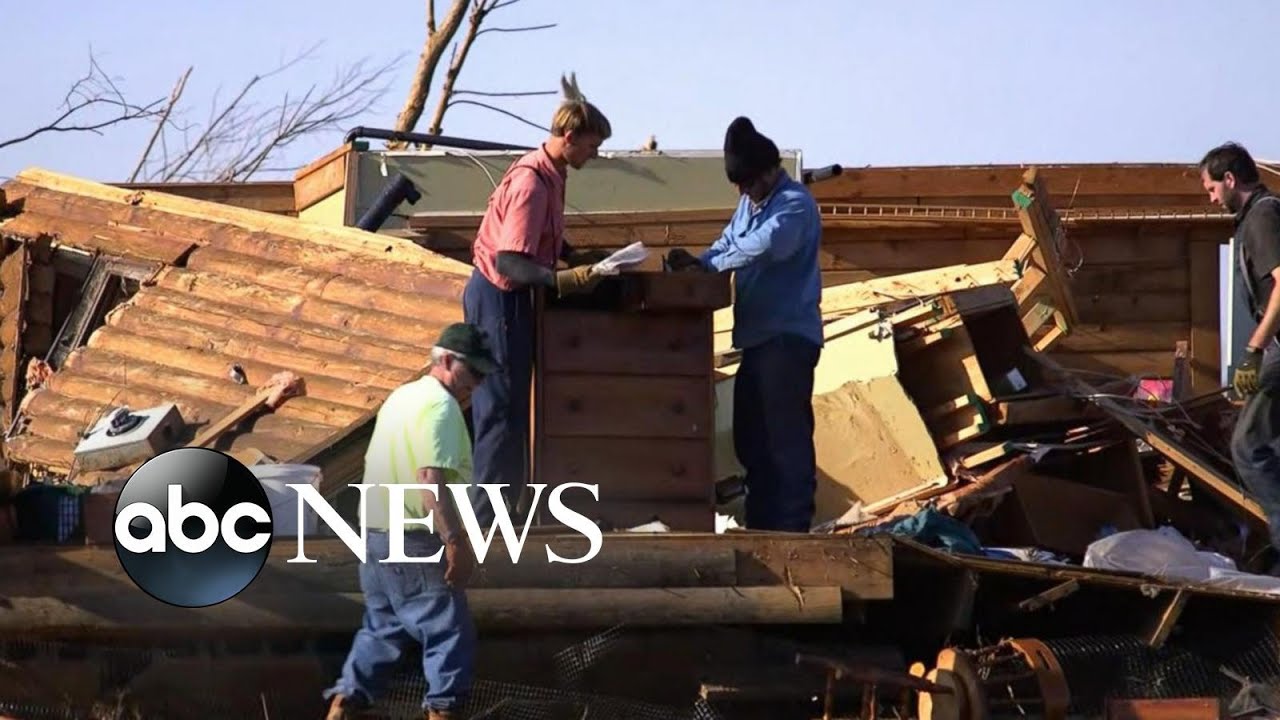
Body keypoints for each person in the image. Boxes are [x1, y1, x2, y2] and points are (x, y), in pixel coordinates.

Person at [324, 322, 499, 720]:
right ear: (447, 360)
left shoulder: (403, 396)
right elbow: (428, 478)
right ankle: (443, 712)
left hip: (375, 535)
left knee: (382, 630)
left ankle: (343, 707)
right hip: (414, 537)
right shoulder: (441, 407)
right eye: (474, 372)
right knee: (449, 632)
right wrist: (455, 541)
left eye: (484, 376)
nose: (478, 383)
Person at [463, 72, 613, 527]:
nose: (595, 153)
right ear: (568, 137)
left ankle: (504, 513)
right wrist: (560, 280)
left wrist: (573, 254)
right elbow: (510, 261)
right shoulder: (532, 183)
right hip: (499, 298)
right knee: (500, 410)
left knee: (512, 408)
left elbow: (539, 239)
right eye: (590, 145)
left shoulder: (554, 173)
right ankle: (483, 521)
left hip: (508, 300)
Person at [665, 116, 824, 532]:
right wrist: (697, 263)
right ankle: (764, 527)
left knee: (783, 442)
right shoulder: (751, 202)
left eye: (748, 181)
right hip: (760, 341)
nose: (742, 190)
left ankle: (789, 530)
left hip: (787, 340)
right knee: (753, 438)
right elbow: (729, 240)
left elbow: (766, 244)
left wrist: (710, 265)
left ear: (771, 170)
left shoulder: (795, 204)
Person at [1202, 141, 1280, 572]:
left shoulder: (1263, 217)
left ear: (1230, 180)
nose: (1211, 198)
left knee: (1248, 446)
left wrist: (1252, 351)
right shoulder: (1259, 216)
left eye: (1211, 188)